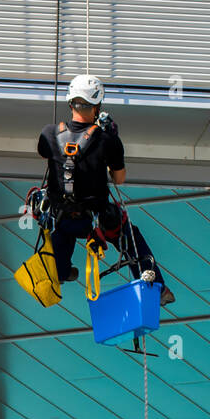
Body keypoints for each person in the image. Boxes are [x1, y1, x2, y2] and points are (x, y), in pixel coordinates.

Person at [37, 75, 175, 305]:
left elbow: (46, 154)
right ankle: (157, 290)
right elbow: (119, 179)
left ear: (70, 102)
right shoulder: (106, 140)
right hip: (99, 216)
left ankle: (61, 273)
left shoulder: (48, 134)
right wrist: (109, 138)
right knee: (131, 238)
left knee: (61, 238)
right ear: (97, 105)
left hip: (63, 217)